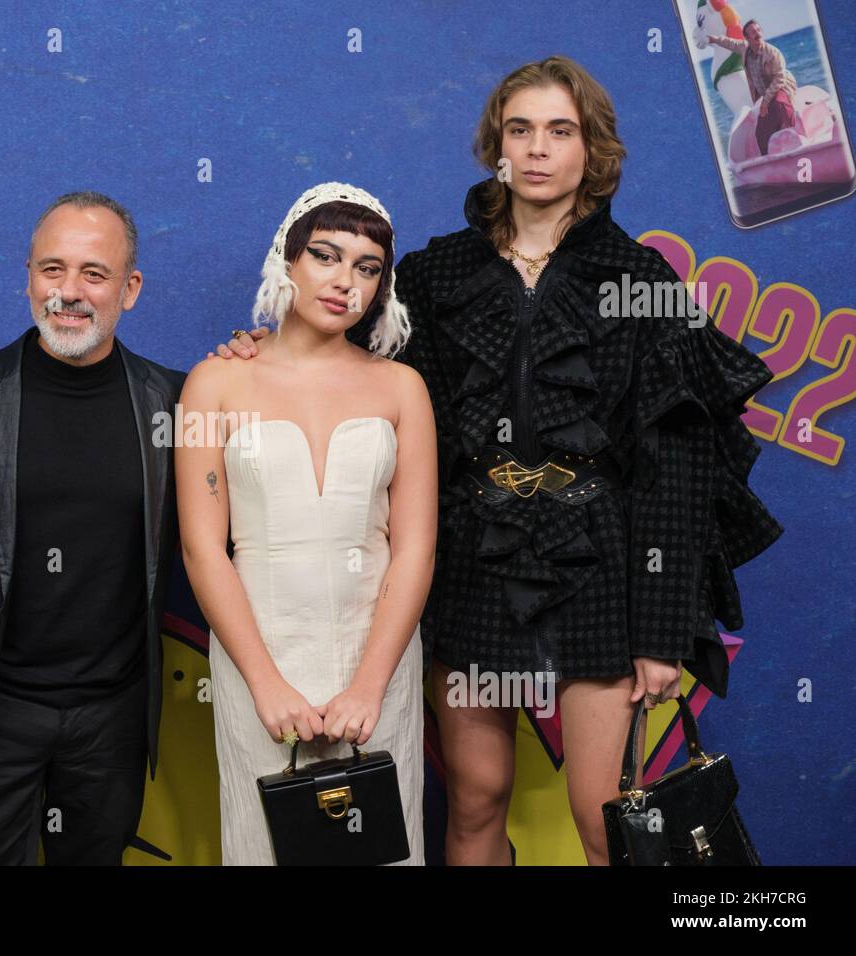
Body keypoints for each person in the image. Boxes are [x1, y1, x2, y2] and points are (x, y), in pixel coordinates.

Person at [220, 57, 782, 865]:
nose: (539, 149)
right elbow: (341, 367)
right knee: (476, 799)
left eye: (561, 131)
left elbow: (680, 462)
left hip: (603, 576)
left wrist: (662, 632)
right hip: (473, 568)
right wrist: (257, 354)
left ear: (593, 149)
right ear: (497, 147)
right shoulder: (436, 273)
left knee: (606, 818)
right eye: (520, 130)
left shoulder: (639, 278)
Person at [179, 182, 437, 865]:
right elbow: (204, 548)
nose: (344, 281)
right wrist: (265, 683)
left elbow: (414, 550)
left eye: (367, 267)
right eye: (326, 256)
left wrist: (370, 685)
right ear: (285, 261)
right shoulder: (214, 383)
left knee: (381, 847)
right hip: (257, 658)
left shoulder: (402, 388)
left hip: (376, 660)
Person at [0, 191, 185, 866]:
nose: (69, 293)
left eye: (94, 274)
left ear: (129, 289)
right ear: (27, 277)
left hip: (113, 716)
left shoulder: (176, 400)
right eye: (52, 270)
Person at [705, 18, 798, 157]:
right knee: (760, 132)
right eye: (753, 32)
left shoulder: (773, 53)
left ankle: (795, 138)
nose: (757, 33)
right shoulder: (745, 49)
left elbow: (779, 79)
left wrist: (765, 102)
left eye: (759, 30)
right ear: (747, 38)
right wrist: (714, 39)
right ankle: (769, 158)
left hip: (780, 89)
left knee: (780, 106)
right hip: (764, 96)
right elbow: (729, 43)